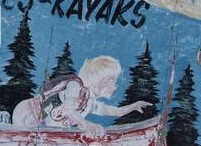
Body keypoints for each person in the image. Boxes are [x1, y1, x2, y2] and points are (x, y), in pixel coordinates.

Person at [11, 55, 152, 137]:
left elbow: (113, 111)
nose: (114, 85)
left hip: (41, 129)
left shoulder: (89, 104)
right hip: (28, 115)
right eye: (111, 79)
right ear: (98, 78)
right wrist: (86, 124)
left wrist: (134, 106)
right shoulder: (75, 86)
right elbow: (68, 109)